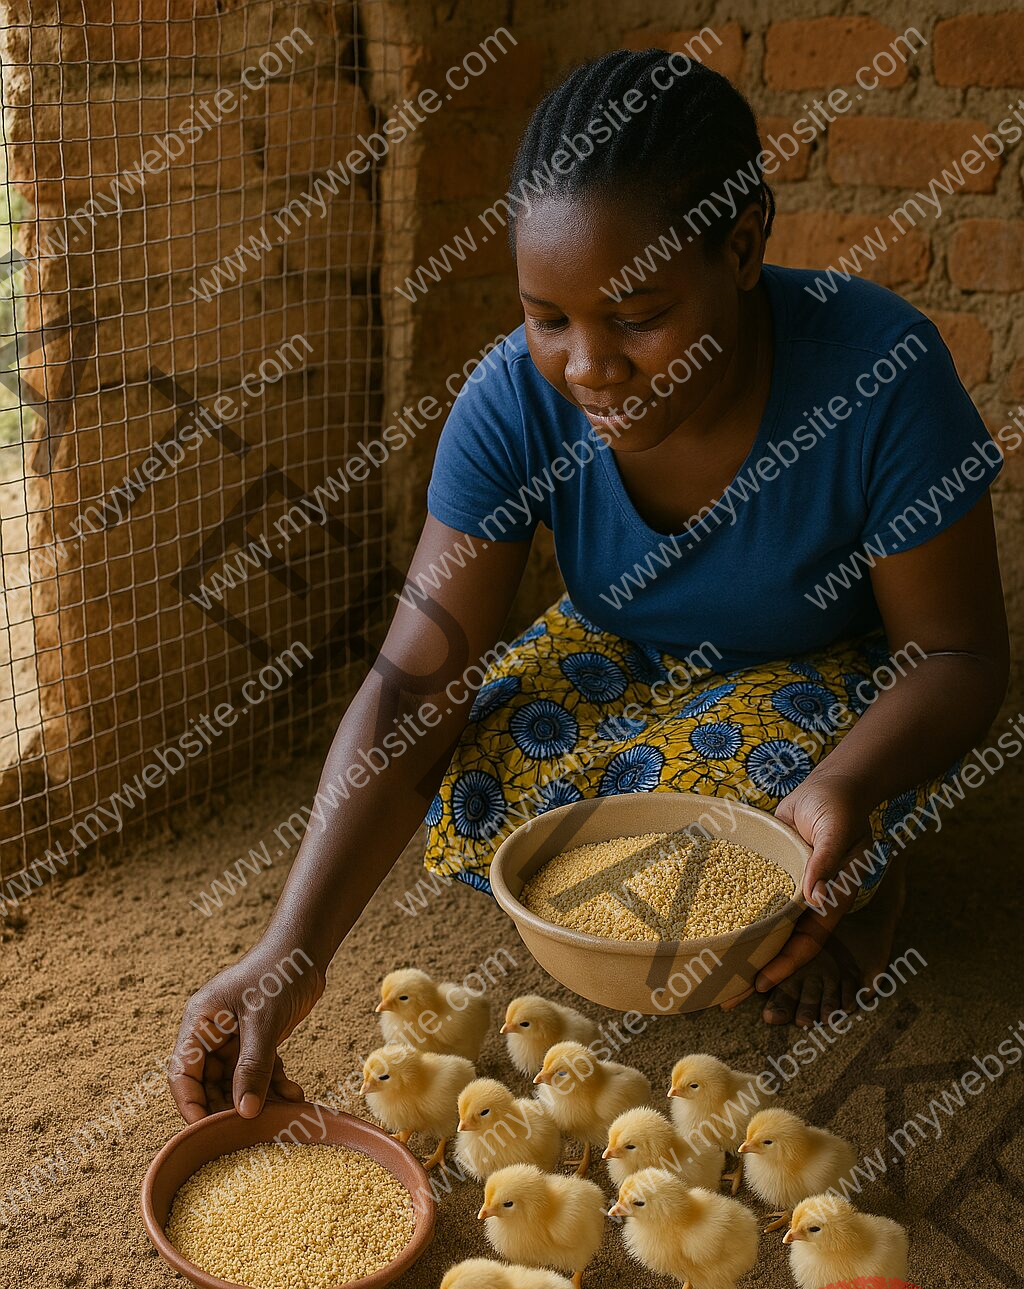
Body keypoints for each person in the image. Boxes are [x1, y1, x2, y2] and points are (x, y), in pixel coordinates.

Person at [169, 52, 1009, 1123]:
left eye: (637, 314)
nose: (586, 367)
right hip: (623, 644)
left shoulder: (879, 370)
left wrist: (847, 786)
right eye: (548, 316)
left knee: (763, 811)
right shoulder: (512, 397)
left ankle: (858, 898)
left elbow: (959, 656)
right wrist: (291, 949)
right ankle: (765, 886)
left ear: (743, 244)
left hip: (823, 671)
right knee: (476, 782)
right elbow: (413, 684)